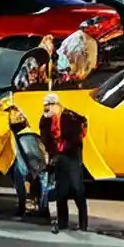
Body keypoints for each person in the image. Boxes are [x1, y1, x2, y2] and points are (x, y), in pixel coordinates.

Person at [40, 92, 88, 233]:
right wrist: (53, 154)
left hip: (72, 156)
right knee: (61, 191)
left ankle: (83, 223)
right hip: (58, 158)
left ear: (56, 105)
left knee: (77, 188)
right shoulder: (45, 120)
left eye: (48, 106)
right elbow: (45, 138)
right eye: (45, 107)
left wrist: (63, 148)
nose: (45, 110)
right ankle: (62, 223)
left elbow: (77, 134)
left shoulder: (70, 117)